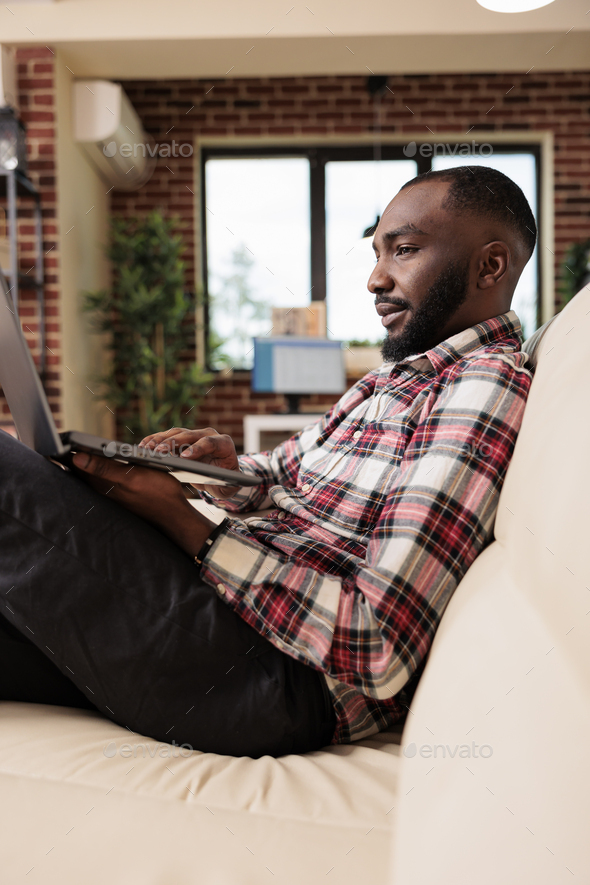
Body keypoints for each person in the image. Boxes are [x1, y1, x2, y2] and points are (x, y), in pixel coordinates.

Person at [0, 166, 536, 757]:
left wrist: (188, 523)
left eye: (404, 251)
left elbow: (377, 645)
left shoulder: (481, 387)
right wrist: (224, 469)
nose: (375, 280)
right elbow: (283, 472)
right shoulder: (393, 381)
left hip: (274, 676)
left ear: (490, 266)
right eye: (378, 254)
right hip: (234, 615)